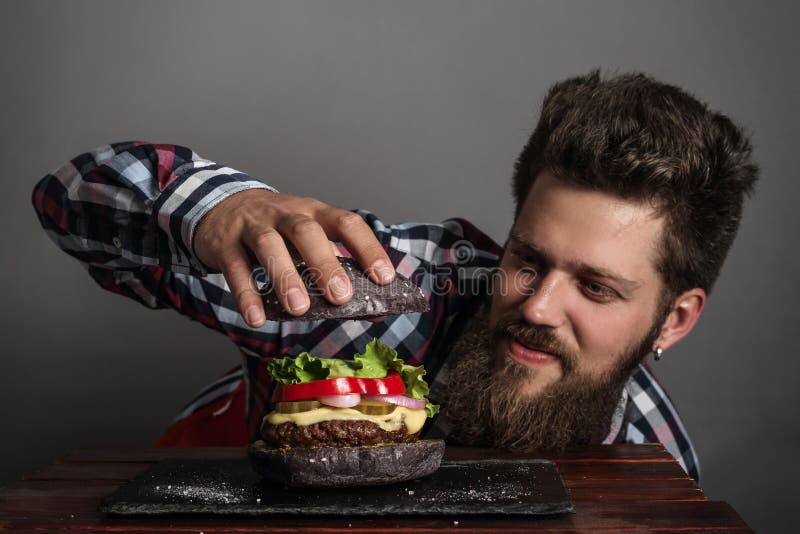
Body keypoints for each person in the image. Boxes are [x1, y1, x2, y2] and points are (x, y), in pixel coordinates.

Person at [31, 70, 758, 481]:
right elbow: (68, 201)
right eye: (527, 260)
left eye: (595, 288)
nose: (536, 306)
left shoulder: (656, 464)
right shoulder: (383, 290)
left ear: (674, 320)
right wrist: (215, 208)